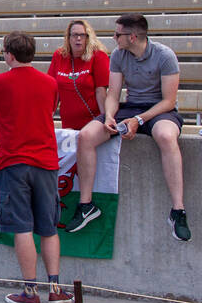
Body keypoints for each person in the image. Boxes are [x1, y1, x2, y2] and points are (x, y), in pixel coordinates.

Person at [66, 13, 189, 242]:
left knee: (165, 135)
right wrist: (110, 116)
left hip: (159, 110)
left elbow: (169, 101)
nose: (114, 38)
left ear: (132, 37)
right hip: (129, 107)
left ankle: (178, 210)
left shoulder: (164, 56)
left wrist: (139, 120)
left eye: (118, 34)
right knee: (86, 135)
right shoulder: (119, 55)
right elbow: (113, 93)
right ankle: (86, 205)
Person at [0, 32, 75, 303]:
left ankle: (30, 290)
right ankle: (56, 289)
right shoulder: (50, 82)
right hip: (46, 162)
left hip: (14, 161)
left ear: (9, 54)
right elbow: (51, 111)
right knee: (48, 228)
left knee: (22, 227)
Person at [47, 19, 110, 131]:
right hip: (68, 122)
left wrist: (105, 118)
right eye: (75, 35)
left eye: (82, 35)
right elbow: (53, 91)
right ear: (68, 37)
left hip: (92, 122)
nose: (79, 38)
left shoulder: (98, 56)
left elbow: (101, 91)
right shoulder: (59, 56)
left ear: (88, 37)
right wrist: (47, 118)